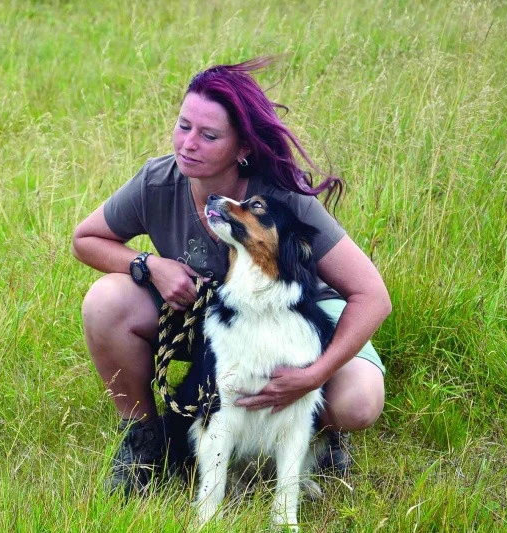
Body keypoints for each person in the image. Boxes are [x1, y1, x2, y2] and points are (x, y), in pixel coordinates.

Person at [71, 57, 391, 496]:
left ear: (242, 149)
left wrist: (315, 374)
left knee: (359, 401)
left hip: (296, 318)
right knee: (105, 301)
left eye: (208, 136)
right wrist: (149, 265)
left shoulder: (280, 197)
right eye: (183, 126)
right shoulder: (157, 181)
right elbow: (85, 238)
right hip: (213, 320)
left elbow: (373, 295)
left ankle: (320, 434)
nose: (188, 144)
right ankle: (143, 440)